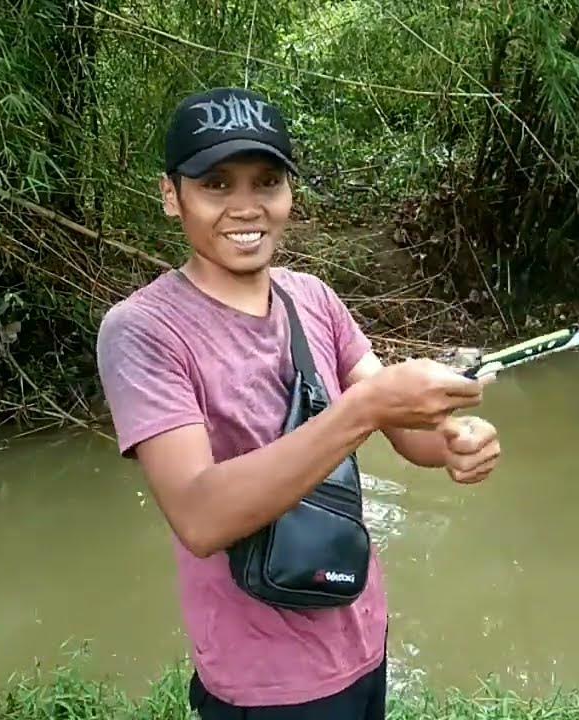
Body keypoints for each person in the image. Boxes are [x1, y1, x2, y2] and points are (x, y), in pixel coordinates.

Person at [95, 87, 502, 719]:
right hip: (265, 681)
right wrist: (364, 410)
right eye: (216, 184)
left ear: (290, 194)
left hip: (361, 629)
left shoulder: (311, 298)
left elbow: (405, 431)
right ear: (172, 196)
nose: (246, 207)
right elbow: (200, 516)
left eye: (266, 181)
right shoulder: (143, 331)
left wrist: (452, 439)